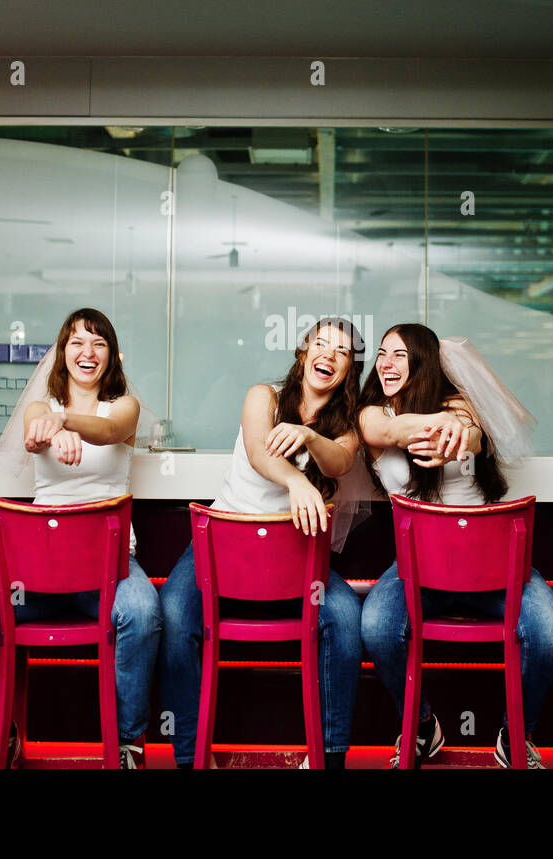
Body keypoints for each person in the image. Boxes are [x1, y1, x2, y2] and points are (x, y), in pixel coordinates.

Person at [0, 308, 160, 769]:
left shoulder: (123, 407)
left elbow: (112, 430)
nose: (87, 352)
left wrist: (67, 424)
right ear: (63, 353)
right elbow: (35, 428)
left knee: (144, 613)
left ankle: (127, 745)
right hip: (36, 575)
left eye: (98, 343)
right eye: (77, 342)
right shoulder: (40, 407)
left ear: (111, 356)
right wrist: (49, 426)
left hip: (109, 569)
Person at [157, 318, 366, 769]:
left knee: (346, 618)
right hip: (221, 548)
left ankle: (329, 756)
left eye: (342, 352)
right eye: (321, 344)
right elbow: (257, 450)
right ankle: (190, 755)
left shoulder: (346, 428)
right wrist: (296, 482)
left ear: (350, 370)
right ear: (303, 352)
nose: (328, 355)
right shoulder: (263, 397)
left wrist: (311, 436)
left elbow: (339, 461)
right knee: (174, 614)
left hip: (295, 558)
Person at [357, 324, 553, 768]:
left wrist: (461, 431)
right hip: (419, 568)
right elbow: (390, 433)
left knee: (549, 632)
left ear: (424, 364)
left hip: (492, 563)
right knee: (376, 627)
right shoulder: (371, 414)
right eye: (382, 354)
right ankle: (423, 727)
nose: (386, 364)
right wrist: (438, 425)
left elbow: (471, 434)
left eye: (401, 356)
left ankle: (516, 734)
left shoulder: (460, 406)